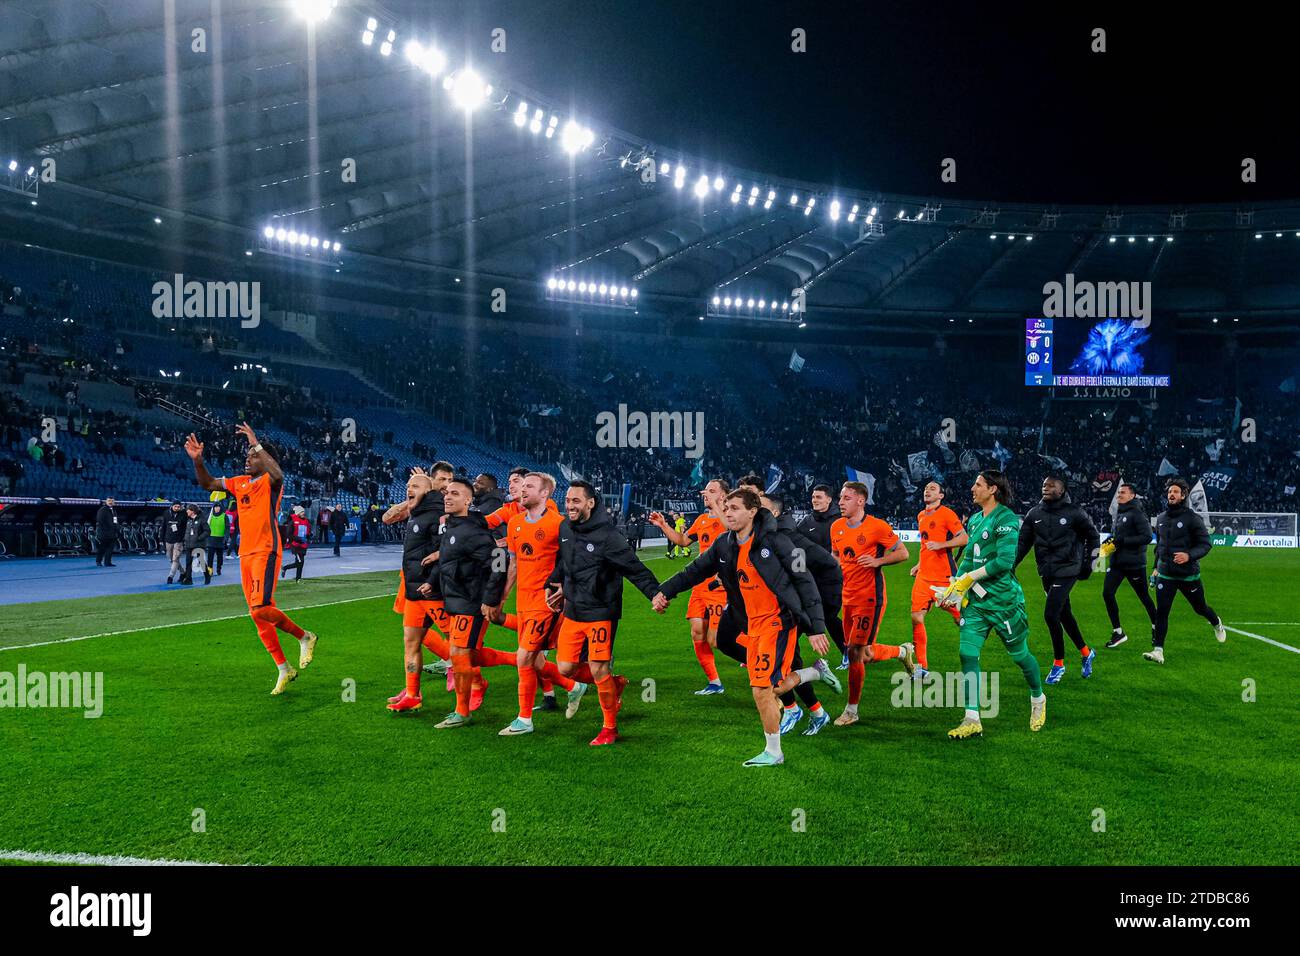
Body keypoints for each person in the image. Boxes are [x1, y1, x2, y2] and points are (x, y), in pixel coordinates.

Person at [654, 488, 832, 766]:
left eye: (734, 508)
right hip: (749, 625)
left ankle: (774, 752)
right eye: (726, 508)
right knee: (770, 686)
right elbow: (695, 569)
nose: (728, 513)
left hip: (779, 622)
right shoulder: (724, 544)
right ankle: (813, 673)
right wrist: (665, 591)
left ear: (752, 511)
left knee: (762, 689)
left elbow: (805, 581)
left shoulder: (779, 542)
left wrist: (816, 627)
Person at [185, 424, 319, 694]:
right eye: (246, 455)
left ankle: (304, 636)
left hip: (266, 549)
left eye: (253, 455)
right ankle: (284, 669)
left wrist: (256, 442)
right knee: (257, 616)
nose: (247, 458)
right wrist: (199, 462)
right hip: (246, 552)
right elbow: (207, 483)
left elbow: (278, 472)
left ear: (265, 458)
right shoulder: (239, 483)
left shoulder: (270, 482)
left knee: (260, 607)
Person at [545, 479, 661, 746]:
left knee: (598, 669)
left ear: (590, 503)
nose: (570, 506)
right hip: (574, 610)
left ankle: (610, 728)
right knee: (566, 668)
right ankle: (614, 684)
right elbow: (565, 562)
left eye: (576, 501)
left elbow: (635, 568)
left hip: (600, 612)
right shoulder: (565, 528)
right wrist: (554, 584)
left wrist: (655, 593)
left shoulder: (609, 536)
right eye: (568, 501)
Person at [937, 471, 1046, 739]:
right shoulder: (974, 520)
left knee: (1020, 656)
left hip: (1003, 602)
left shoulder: (1007, 519)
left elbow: (1005, 562)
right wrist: (953, 586)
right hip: (976, 603)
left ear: (993, 489)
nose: (972, 488)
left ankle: (1038, 699)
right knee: (967, 653)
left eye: (978, 484)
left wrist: (969, 579)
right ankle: (972, 718)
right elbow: (968, 560)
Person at [482, 471, 588, 735]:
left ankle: (524, 719)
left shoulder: (559, 524)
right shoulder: (515, 523)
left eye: (530, 486)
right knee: (537, 661)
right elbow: (514, 563)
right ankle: (574, 686)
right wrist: (501, 598)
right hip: (523, 600)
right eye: (522, 485)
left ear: (544, 494)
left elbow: (571, 561)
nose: (522, 489)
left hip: (546, 602)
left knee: (524, 658)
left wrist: (563, 589)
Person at [430, 477, 521, 729]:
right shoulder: (453, 527)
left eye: (455, 494)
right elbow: (451, 563)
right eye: (447, 493)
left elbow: (499, 558)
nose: (448, 497)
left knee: (458, 654)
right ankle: (522, 661)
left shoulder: (471, 530)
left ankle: (461, 711)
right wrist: (433, 583)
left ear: (468, 500)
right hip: (456, 600)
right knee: (469, 654)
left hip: (470, 604)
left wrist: (491, 599)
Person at [830, 481, 915, 727]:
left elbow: (903, 553)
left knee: (855, 652)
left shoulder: (877, 526)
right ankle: (902, 651)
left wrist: (878, 562)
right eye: (840, 497)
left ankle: (852, 710)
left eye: (845, 498)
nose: (840, 502)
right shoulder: (836, 527)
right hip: (847, 597)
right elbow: (837, 556)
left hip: (870, 598)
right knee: (862, 653)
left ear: (860, 500)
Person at [1013, 476, 1100, 684]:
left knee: (1051, 615)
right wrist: (1011, 566)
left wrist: (1090, 564)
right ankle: (1086, 653)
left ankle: (1058, 664)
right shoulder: (1034, 513)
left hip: (1068, 569)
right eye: (1044, 484)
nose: (1046, 487)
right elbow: (1023, 543)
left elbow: (1094, 536)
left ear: (1062, 490)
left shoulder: (1075, 513)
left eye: (1051, 485)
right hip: (1046, 571)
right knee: (1064, 614)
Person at [648, 478, 730, 695]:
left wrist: (718, 508)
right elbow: (683, 541)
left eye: (711, 491)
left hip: (719, 588)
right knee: (697, 632)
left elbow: (736, 536)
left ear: (723, 496)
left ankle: (766, 667)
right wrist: (664, 525)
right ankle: (714, 682)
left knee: (717, 639)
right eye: (705, 491)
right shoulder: (702, 520)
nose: (705, 494)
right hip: (699, 587)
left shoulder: (730, 519)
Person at [1144, 477, 1225, 664]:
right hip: (1166, 574)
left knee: (1200, 608)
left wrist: (1189, 555)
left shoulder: (1192, 519)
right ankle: (1158, 650)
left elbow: (1206, 544)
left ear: (1183, 496)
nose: (1171, 494)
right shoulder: (1161, 518)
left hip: (1188, 575)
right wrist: (1156, 568)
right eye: (1170, 492)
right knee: (1161, 612)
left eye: (1175, 492)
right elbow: (1161, 547)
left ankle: (1216, 623)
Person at [909, 481, 966, 681]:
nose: (927, 490)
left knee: (960, 618)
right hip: (924, 576)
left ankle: (968, 627)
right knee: (916, 617)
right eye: (926, 488)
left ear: (941, 495)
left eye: (933, 488)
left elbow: (963, 538)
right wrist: (919, 563)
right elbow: (926, 544)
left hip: (943, 576)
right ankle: (922, 668)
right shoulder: (921, 515)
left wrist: (942, 544)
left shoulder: (948, 515)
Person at [1099, 482, 1157, 648]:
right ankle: (1118, 632)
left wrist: (1122, 541)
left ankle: (1156, 626)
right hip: (1117, 563)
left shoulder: (1137, 513)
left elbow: (1147, 536)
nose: (1119, 495)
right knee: (1107, 593)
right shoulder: (1119, 512)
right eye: (1119, 493)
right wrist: (1109, 542)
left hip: (1134, 564)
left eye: (1123, 493)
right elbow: (1118, 536)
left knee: (1144, 597)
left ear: (1132, 495)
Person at [180, 504, 210, 585]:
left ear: (192, 511)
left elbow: (207, 531)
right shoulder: (188, 520)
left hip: (199, 544)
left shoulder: (201, 519)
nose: (187, 511)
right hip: (189, 544)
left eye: (188, 510)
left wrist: (199, 538)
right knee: (188, 562)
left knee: (201, 562)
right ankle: (188, 579)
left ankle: (207, 576)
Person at [280, 505, 312, 581]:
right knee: (300, 562)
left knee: (300, 562)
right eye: (302, 512)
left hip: (303, 545)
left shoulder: (306, 521)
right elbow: (289, 534)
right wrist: (299, 539)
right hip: (295, 545)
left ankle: (286, 569)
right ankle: (298, 578)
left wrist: (309, 536)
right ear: (298, 513)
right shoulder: (293, 521)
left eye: (304, 511)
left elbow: (308, 532)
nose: (303, 513)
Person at [161, 500, 186, 584]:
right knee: (170, 559)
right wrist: (161, 539)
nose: (177, 508)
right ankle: (183, 572)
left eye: (179, 507)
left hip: (178, 540)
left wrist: (183, 539)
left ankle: (170, 576)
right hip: (168, 539)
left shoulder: (183, 514)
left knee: (176, 559)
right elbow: (163, 526)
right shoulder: (166, 513)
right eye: (175, 506)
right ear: (172, 506)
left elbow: (185, 528)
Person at [94, 497, 118, 567]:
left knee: (110, 549)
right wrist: (107, 529)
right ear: (106, 502)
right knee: (102, 548)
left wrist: (117, 528)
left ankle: (107, 562)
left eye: (112, 501)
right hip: (104, 533)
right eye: (109, 501)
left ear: (114, 502)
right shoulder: (102, 510)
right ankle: (98, 561)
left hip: (112, 533)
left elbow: (115, 521)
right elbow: (100, 520)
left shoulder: (114, 510)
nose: (110, 502)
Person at [206, 501, 227, 576]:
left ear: (220, 508)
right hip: (211, 539)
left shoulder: (224, 516)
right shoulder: (209, 516)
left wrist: (226, 537)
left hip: (220, 540)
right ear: (213, 508)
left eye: (218, 507)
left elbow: (227, 527)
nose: (217, 508)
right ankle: (210, 569)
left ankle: (219, 569)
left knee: (220, 557)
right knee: (210, 556)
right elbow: (205, 526)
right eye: (215, 507)